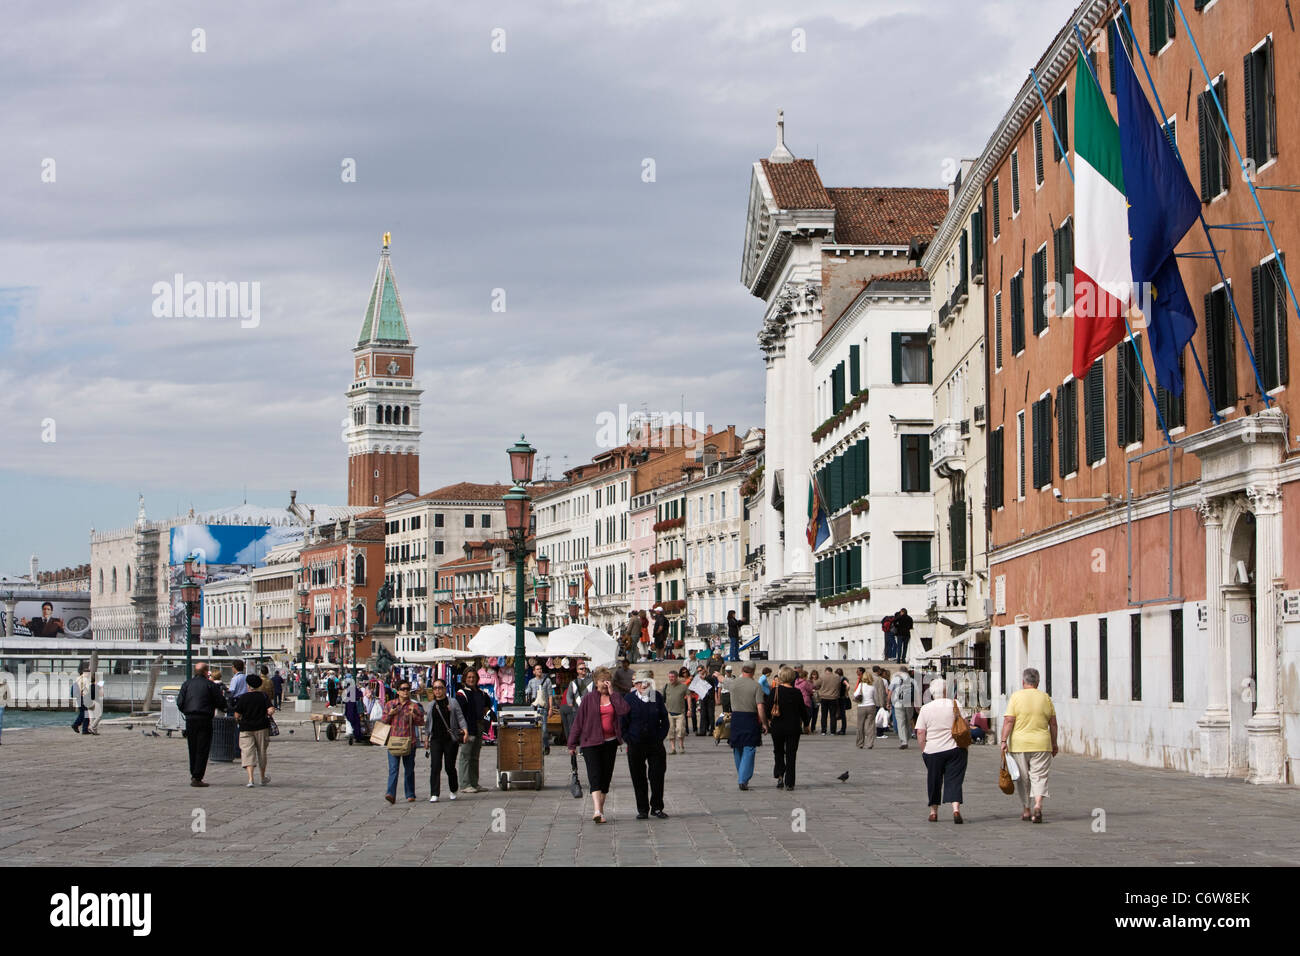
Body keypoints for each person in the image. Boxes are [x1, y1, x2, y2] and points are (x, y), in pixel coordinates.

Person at [567, 666, 630, 824]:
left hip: (610, 743)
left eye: (607, 681)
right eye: (602, 681)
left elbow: (624, 711)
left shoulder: (614, 697)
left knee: (605, 778)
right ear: (596, 682)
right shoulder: (589, 699)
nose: (604, 684)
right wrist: (572, 744)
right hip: (591, 743)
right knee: (594, 775)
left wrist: (613, 693)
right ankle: (596, 809)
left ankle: (600, 811)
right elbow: (578, 722)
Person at [1002, 667, 1059, 823]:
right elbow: (1053, 723)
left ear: (1023, 682)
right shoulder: (1045, 698)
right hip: (1042, 744)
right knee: (1039, 776)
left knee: (1023, 778)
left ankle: (1027, 809)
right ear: (1038, 682)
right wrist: (1054, 743)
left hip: (1019, 744)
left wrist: (1003, 740)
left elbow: (1009, 720)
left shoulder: (1016, 697)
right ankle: (1038, 805)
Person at [915, 678, 968, 823]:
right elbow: (965, 725)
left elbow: (920, 732)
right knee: (955, 780)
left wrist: (924, 750)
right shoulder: (956, 704)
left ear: (932, 693)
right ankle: (955, 809)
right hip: (955, 749)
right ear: (946, 691)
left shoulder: (926, 708)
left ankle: (933, 812)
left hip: (933, 750)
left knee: (934, 781)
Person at [622, 670, 670, 819]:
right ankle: (642, 809)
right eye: (639, 683)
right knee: (638, 777)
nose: (643, 685)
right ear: (635, 684)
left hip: (655, 744)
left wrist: (660, 736)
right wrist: (628, 738)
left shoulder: (657, 697)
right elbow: (623, 722)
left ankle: (656, 807)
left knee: (657, 776)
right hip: (635, 744)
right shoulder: (629, 698)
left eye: (646, 682)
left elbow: (665, 720)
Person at [176, 663, 226, 786]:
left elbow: (180, 702)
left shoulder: (187, 684)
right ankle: (197, 776)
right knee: (202, 748)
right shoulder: (210, 685)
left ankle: (193, 773)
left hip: (190, 719)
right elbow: (220, 702)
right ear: (205, 672)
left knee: (192, 747)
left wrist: (187, 712)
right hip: (204, 718)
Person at [381, 680, 426, 804]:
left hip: (409, 741)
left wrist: (415, 715)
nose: (405, 691)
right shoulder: (390, 704)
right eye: (402, 689)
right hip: (394, 741)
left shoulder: (414, 705)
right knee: (393, 769)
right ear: (397, 691)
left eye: (407, 689)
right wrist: (390, 714)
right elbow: (383, 721)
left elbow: (421, 722)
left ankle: (410, 794)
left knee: (409, 769)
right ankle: (390, 793)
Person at [424, 679, 468, 802]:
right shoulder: (431, 705)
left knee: (449, 767)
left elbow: (460, 718)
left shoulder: (452, 702)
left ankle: (453, 789)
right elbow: (428, 723)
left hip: (450, 739)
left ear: (445, 689)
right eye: (435, 688)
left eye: (440, 687)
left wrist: (465, 731)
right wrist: (426, 738)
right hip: (436, 739)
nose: (438, 690)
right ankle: (434, 793)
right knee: (435, 766)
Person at [768, 667, 808, 790]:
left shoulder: (775, 691)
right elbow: (803, 711)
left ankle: (780, 775)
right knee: (791, 754)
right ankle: (790, 782)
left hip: (778, 727)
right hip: (793, 727)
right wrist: (806, 724)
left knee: (778, 751)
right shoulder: (797, 693)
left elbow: (767, 708)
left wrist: (766, 722)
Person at [728, 662, 766, 790]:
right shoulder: (756, 686)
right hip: (750, 718)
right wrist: (764, 723)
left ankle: (742, 776)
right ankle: (743, 779)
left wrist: (717, 675)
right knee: (749, 748)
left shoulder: (734, 683)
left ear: (742, 669)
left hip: (736, 718)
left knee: (737, 747)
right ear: (753, 671)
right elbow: (760, 706)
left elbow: (723, 681)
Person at [234, 674, 275, 788]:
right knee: (262, 752)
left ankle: (250, 778)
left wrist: (240, 718)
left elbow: (237, 714)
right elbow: (271, 709)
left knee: (248, 752)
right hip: (262, 727)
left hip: (246, 728)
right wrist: (269, 712)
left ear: (248, 685)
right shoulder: (263, 696)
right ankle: (262, 777)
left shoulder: (243, 697)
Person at [453, 669, 490, 793]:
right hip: (468, 728)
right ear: (464, 679)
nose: (471, 679)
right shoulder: (461, 693)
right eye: (469, 677)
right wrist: (463, 729)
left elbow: (487, 706)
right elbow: (459, 712)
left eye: (473, 677)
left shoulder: (481, 693)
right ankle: (465, 784)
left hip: (479, 726)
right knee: (465, 756)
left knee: (475, 756)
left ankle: (474, 783)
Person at [525, 663, 553, 754]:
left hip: (543, 706)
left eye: (540, 669)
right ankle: (537, 747)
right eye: (537, 669)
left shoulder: (547, 681)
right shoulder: (531, 681)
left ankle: (546, 745)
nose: (539, 670)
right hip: (533, 707)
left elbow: (550, 695)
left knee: (544, 729)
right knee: (533, 728)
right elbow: (527, 692)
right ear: (533, 672)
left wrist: (550, 708)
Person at [851, 667, 879, 750]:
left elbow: (855, 694)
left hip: (862, 707)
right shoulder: (873, 687)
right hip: (871, 706)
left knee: (860, 726)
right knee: (870, 726)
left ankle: (860, 743)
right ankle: (870, 743)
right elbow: (876, 697)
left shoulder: (861, 685)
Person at [662, 669, 689, 755]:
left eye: (673, 677)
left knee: (680, 730)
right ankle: (673, 748)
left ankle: (681, 746)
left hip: (680, 712)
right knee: (671, 731)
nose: (671, 678)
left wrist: (690, 709)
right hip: (669, 712)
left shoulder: (683, 686)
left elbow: (688, 696)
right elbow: (663, 699)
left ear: (677, 677)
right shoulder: (666, 686)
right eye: (670, 677)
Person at [890, 667, 916, 749]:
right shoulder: (912, 680)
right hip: (909, 703)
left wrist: (887, 702)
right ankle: (907, 737)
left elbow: (889, 692)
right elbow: (917, 693)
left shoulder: (895, 679)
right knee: (908, 721)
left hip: (897, 703)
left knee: (900, 722)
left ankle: (903, 741)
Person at [694, 665, 717, 736]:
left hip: (710, 698)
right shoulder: (699, 678)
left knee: (710, 715)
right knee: (703, 714)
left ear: (704, 669)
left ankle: (712, 730)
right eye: (698, 671)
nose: (699, 672)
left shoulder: (710, 676)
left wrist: (705, 678)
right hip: (703, 698)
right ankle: (702, 731)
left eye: (700, 670)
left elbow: (712, 681)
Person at [816, 666, 840, 735]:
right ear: (831, 671)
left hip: (824, 698)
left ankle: (823, 731)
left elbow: (816, 684)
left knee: (824, 715)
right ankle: (833, 731)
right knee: (833, 715)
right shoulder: (836, 677)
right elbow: (839, 685)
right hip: (833, 698)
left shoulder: (822, 676)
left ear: (826, 670)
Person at [70, 666, 92, 735]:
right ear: (87, 673)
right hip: (84, 697)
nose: (89, 675)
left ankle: (83, 729)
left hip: (78, 698)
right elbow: (88, 690)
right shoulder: (86, 679)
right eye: (89, 673)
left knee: (83, 712)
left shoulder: (78, 678)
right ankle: (77, 725)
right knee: (86, 713)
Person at [835, 668, 850, 735]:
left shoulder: (841, 679)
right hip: (841, 698)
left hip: (840, 698)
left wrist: (846, 692)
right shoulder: (843, 678)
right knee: (842, 714)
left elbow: (848, 685)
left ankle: (842, 730)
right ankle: (842, 729)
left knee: (840, 714)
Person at [0, 672, 11, 744]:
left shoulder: (5, 684)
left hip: (1, 705)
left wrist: (5, 703)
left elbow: (9, 695)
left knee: (0, 723)